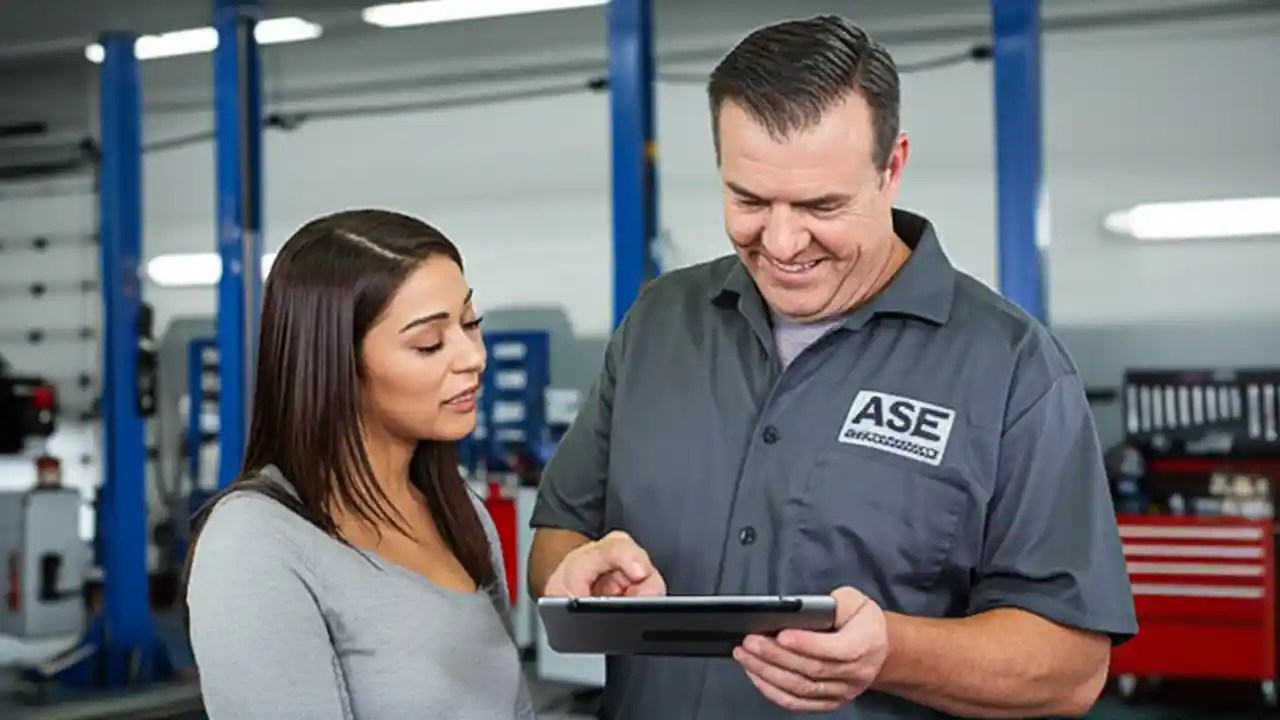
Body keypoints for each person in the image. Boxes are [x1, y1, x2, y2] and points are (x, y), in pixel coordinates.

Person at [528, 14, 1136, 720]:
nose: (782, 242)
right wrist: (574, 575)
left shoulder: (1012, 370)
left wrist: (893, 652)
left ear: (893, 168)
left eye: (822, 205)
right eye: (749, 200)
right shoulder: (660, 323)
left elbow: (1071, 670)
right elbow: (560, 535)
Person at [184, 209, 535, 719]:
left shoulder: (460, 512)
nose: (472, 356)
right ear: (336, 366)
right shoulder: (256, 545)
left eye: (470, 323)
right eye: (429, 343)